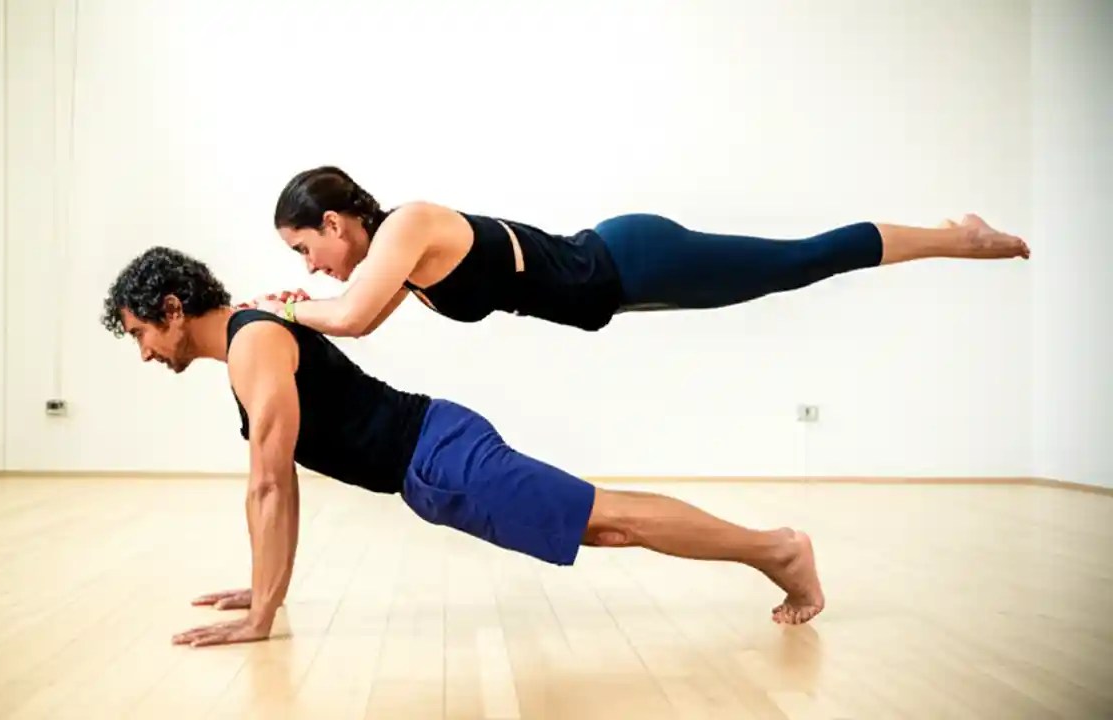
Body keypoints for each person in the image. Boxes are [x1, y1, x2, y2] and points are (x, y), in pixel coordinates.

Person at [101, 246, 826, 647]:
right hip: (434, 459)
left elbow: (268, 485)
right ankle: (774, 550)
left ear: (171, 309)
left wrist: (263, 613)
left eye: (138, 333)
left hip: (439, 455)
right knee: (604, 523)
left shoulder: (252, 342)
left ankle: (777, 550)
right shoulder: (250, 340)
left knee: (609, 520)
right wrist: (264, 594)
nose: (142, 354)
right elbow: (275, 482)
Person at [244, 165, 1030, 335]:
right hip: (618, 284)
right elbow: (359, 317)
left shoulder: (410, 223)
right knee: (790, 271)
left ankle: (958, 237)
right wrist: (291, 308)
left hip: (632, 260)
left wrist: (271, 308)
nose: (308, 265)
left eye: (304, 247)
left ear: (340, 223)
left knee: (800, 261)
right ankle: (957, 233)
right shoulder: (398, 271)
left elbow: (345, 317)